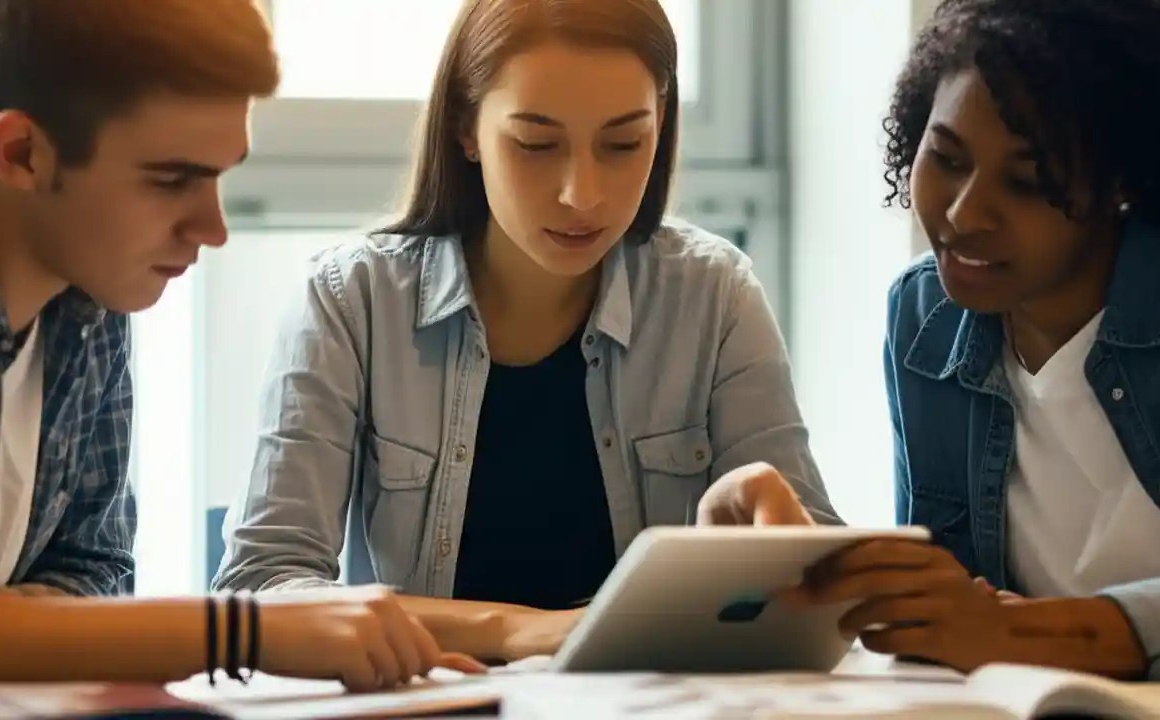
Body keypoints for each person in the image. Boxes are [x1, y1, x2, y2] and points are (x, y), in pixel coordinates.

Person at [215, 0, 840, 664]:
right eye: (536, 144)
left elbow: (824, 595)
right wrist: (511, 630)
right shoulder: (351, 300)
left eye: (625, 142)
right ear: (465, 127)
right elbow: (259, 591)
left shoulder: (715, 295)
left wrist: (771, 558)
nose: (583, 194)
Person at [0, 0, 477, 690]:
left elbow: (94, 573)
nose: (213, 227)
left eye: (221, 175)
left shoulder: (90, 298)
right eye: (172, 180)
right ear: (22, 152)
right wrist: (248, 632)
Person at [785, 0, 1160, 680]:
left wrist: (1036, 634)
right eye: (946, 158)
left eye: (1025, 183)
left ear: (1121, 185)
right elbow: (951, 612)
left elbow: (994, 632)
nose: (964, 214)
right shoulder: (926, 320)